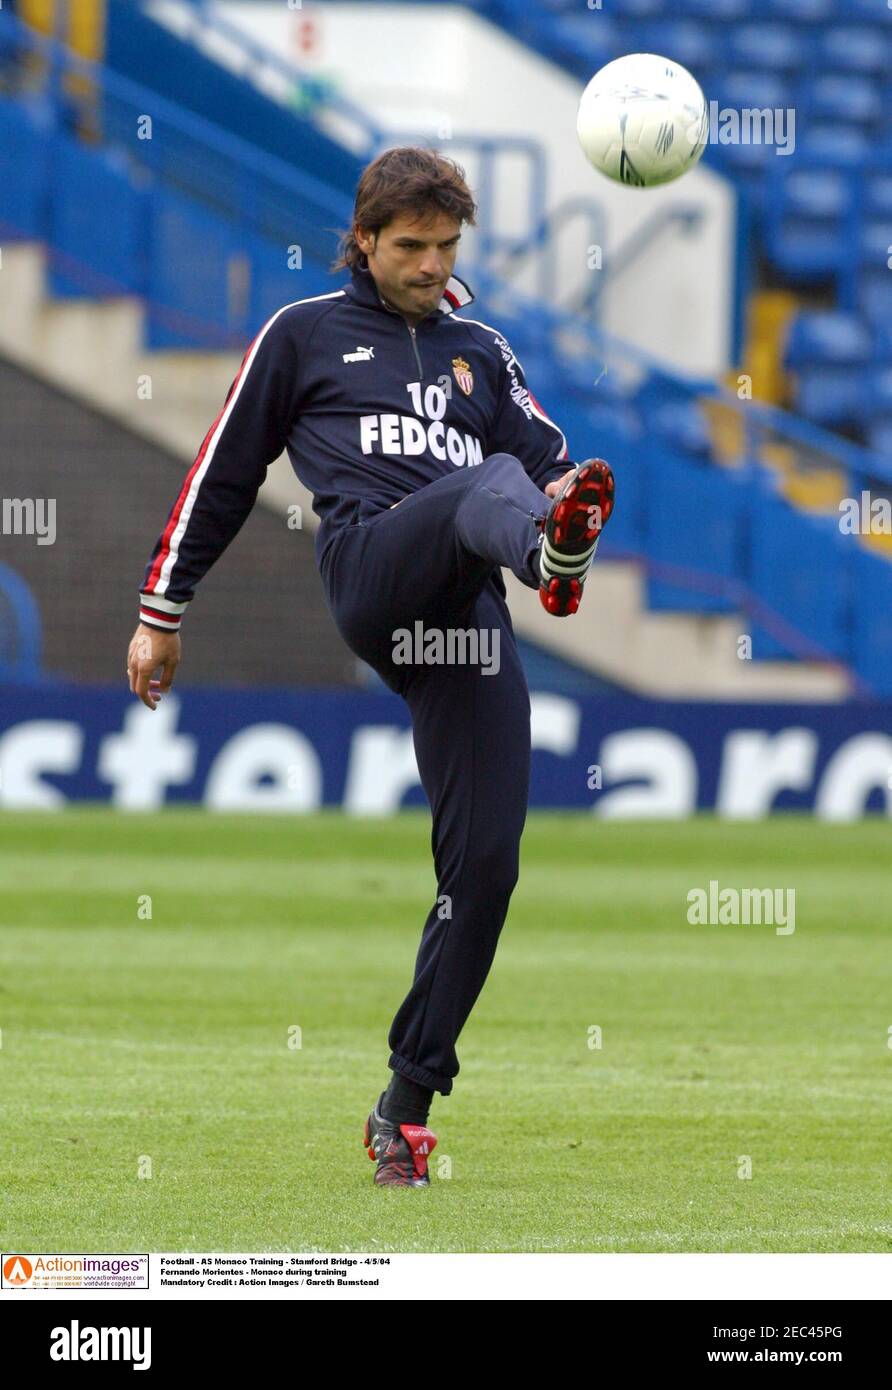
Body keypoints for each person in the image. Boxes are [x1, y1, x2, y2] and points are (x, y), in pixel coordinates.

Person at [127, 146, 614, 1188]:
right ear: (362, 240)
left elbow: (551, 468)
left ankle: (404, 1107)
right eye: (411, 246)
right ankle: (548, 564)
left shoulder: (482, 351)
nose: (433, 264)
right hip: (373, 575)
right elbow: (224, 471)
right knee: (485, 487)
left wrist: (565, 500)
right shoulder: (302, 334)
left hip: (465, 618)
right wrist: (162, 610)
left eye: (448, 246)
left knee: (484, 868)